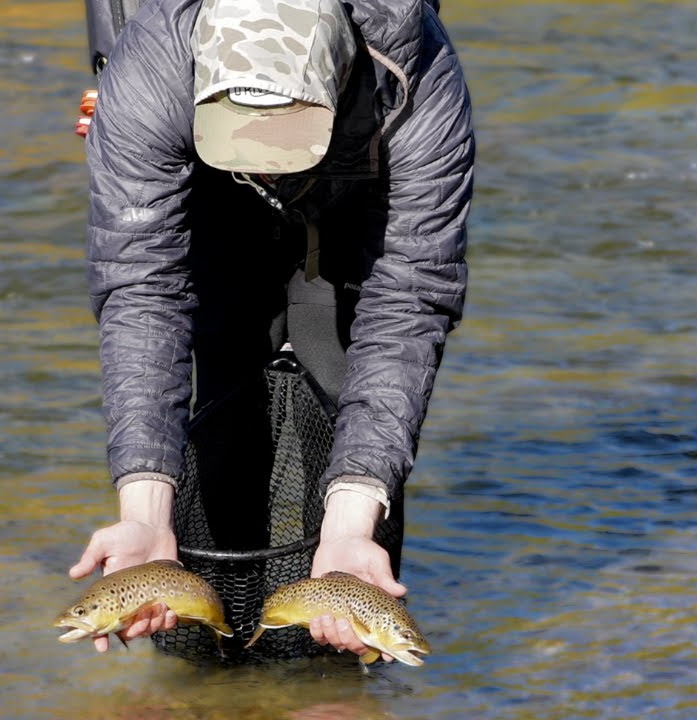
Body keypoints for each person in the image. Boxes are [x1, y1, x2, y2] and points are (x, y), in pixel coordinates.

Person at [70, 0, 473, 662]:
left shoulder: (421, 82)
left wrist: (349, 525)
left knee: (344, 393)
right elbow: (143, 290)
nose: (267, 170)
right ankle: (205, 669)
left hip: (359, 165)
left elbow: (408, 302)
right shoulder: (151, 71)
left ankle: (340, 649)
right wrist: (143, 512)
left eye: (281, 147)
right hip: (195, 156)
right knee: (227, 379)